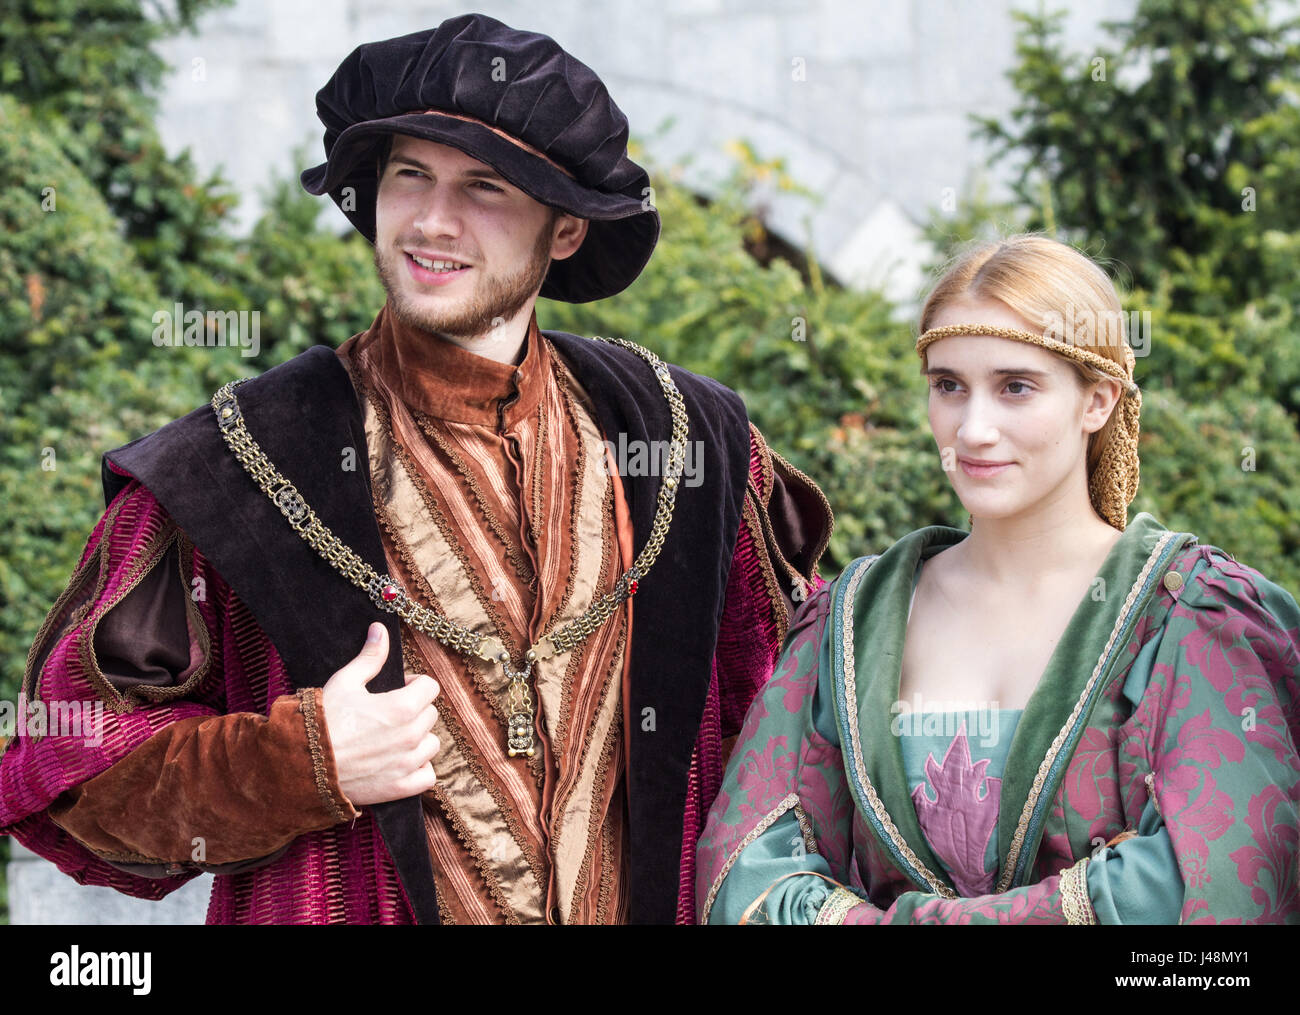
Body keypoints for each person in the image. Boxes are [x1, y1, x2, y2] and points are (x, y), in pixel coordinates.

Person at [0, 14, 833, 925]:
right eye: (410, 176)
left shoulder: (687, 443)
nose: (434, 221)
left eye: (485, 186)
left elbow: (803, 729)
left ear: (563, 232)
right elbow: (64, 768)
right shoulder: (236, 464)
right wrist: (297, 762)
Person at [696, 234, 1300, 924]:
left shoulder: (1192, 618)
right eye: (949, 386)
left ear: (1098, 400)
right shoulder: (852, 621)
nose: (973, 429)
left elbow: (1216, 893)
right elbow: (744, 872)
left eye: (1016, 387)